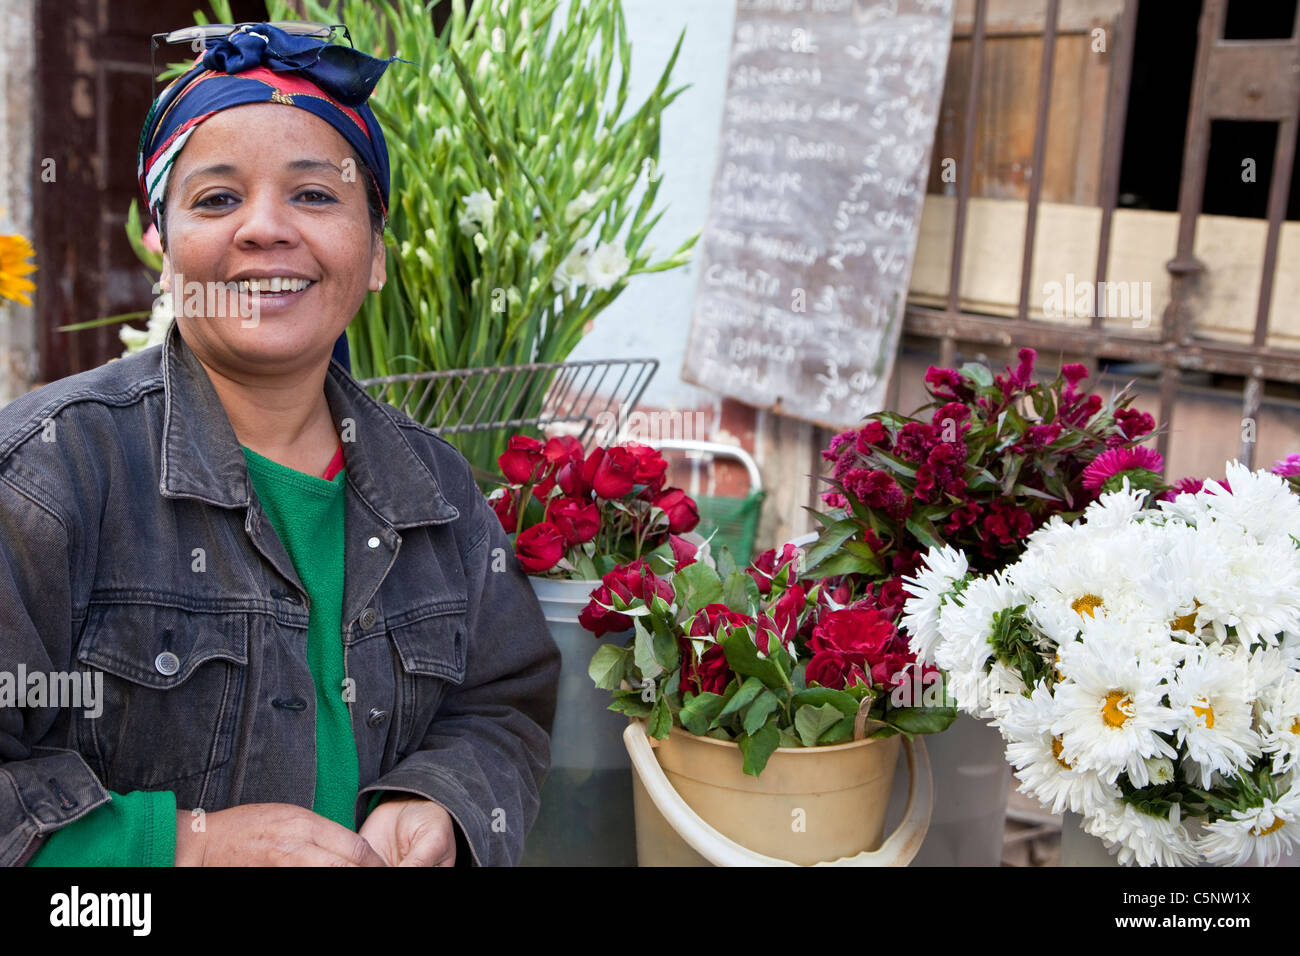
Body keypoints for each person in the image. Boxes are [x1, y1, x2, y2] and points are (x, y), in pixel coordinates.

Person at [0, 22, 559, 867]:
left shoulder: (436, 491)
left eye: (315, 195)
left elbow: (500, 703)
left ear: (374, 254)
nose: (265, 228)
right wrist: (179, 847)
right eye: (216, 198)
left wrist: (439, 798)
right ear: (162, 248)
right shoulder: (45, 480)